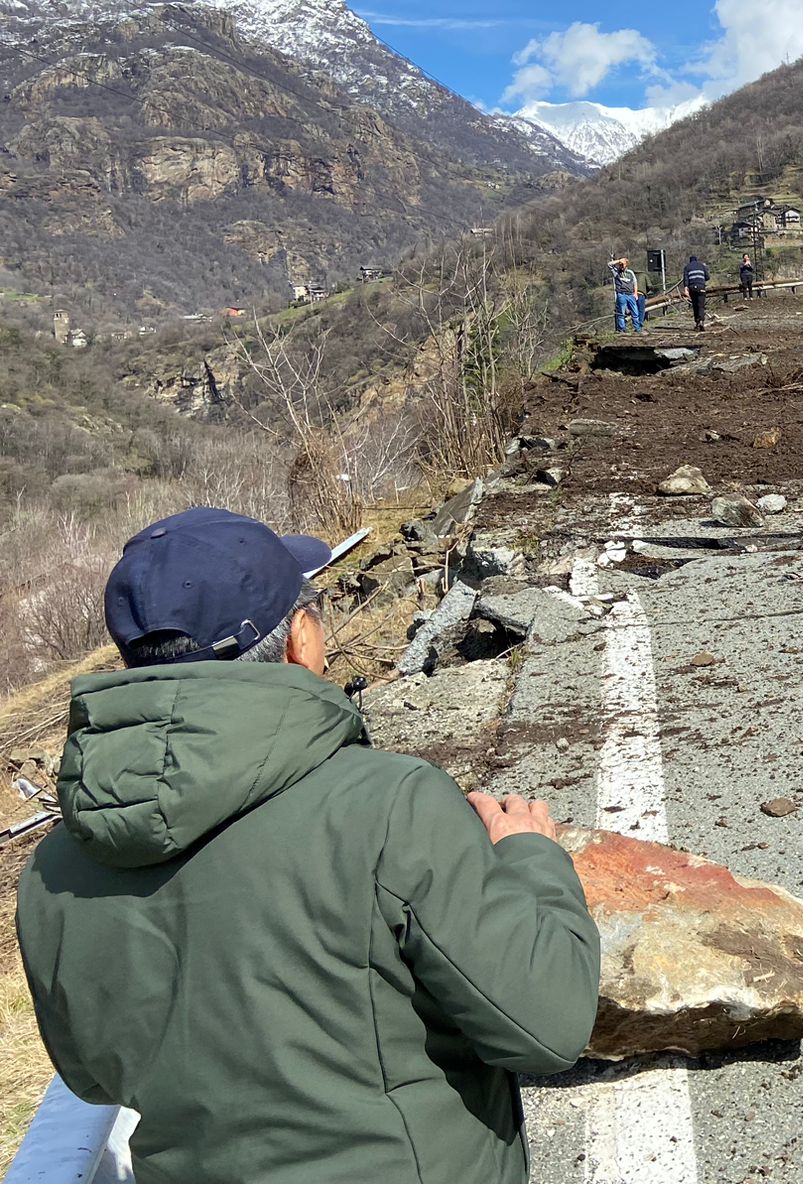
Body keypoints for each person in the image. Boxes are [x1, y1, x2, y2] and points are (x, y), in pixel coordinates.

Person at [15, 507, 600, 1184]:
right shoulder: (391, 805)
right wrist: (531, 857)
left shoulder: (54, 870)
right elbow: (546, 1026)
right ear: (301, 638)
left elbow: (92, 1077)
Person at [610, 256, 644, 332]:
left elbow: (635, 282)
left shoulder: (630, 272)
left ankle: (637, 329)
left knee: (635, 312)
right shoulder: (616, 272)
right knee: (621, 313)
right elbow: (609, 264)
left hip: (630, 295)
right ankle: (622, 329)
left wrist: (635, 293)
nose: (621, 266)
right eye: (620, 264)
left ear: (626, 264)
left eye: (623, 264)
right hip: (621, 294)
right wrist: (619, 261)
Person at [684, 252, 711, 329]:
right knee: (701, 306)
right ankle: (702, 322)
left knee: (695, 306)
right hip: (701, 288)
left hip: (692, 288)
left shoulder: (687, 267)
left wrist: (686, 289)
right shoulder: (702, 266)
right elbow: (708, 277)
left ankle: (697, 322)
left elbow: (686, 280)